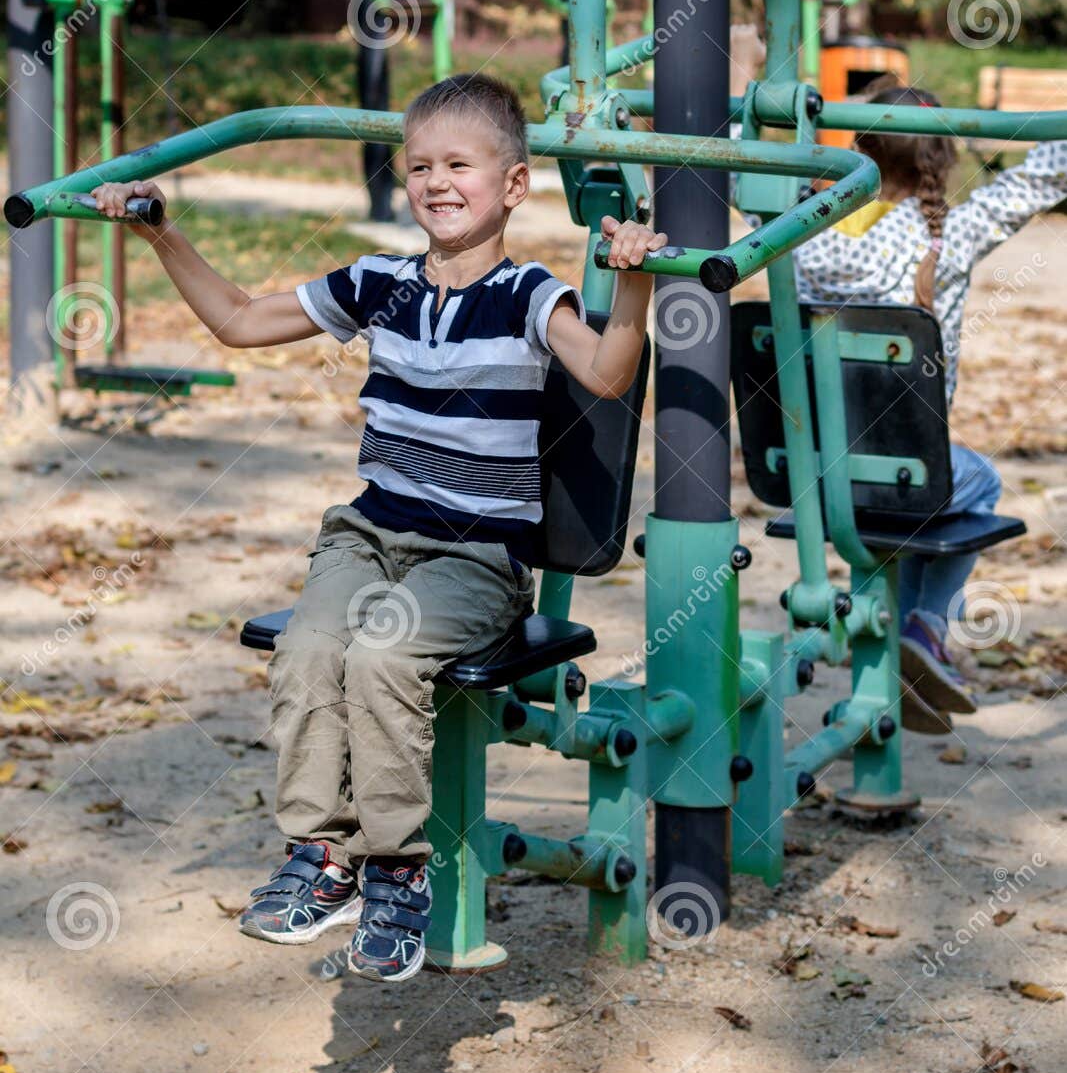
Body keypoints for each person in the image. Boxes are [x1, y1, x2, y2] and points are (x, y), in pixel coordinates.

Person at [92, 73, 667, 982]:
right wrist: (161, 231)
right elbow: (239, 320)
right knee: (310, 648)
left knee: (380, 656)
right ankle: (325, 857)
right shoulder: (379, 281)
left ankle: (398, 870)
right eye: (420, 166)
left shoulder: (527, 294)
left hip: (474, 555)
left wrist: (632, 283)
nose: (437, 182)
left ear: (514, 184)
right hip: (366, 535)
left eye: (460, 166)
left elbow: (605, 374)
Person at [791, 82, 1067, 732]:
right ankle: (923, 630)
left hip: (808, 475)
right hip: (905, 477)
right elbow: (1042, 177)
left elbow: (742, 175)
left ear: (857, 151)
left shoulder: (802, 229)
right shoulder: (949, 234)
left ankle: (903, 651)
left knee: (927, 485)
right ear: (941, 161)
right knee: (976, 481)